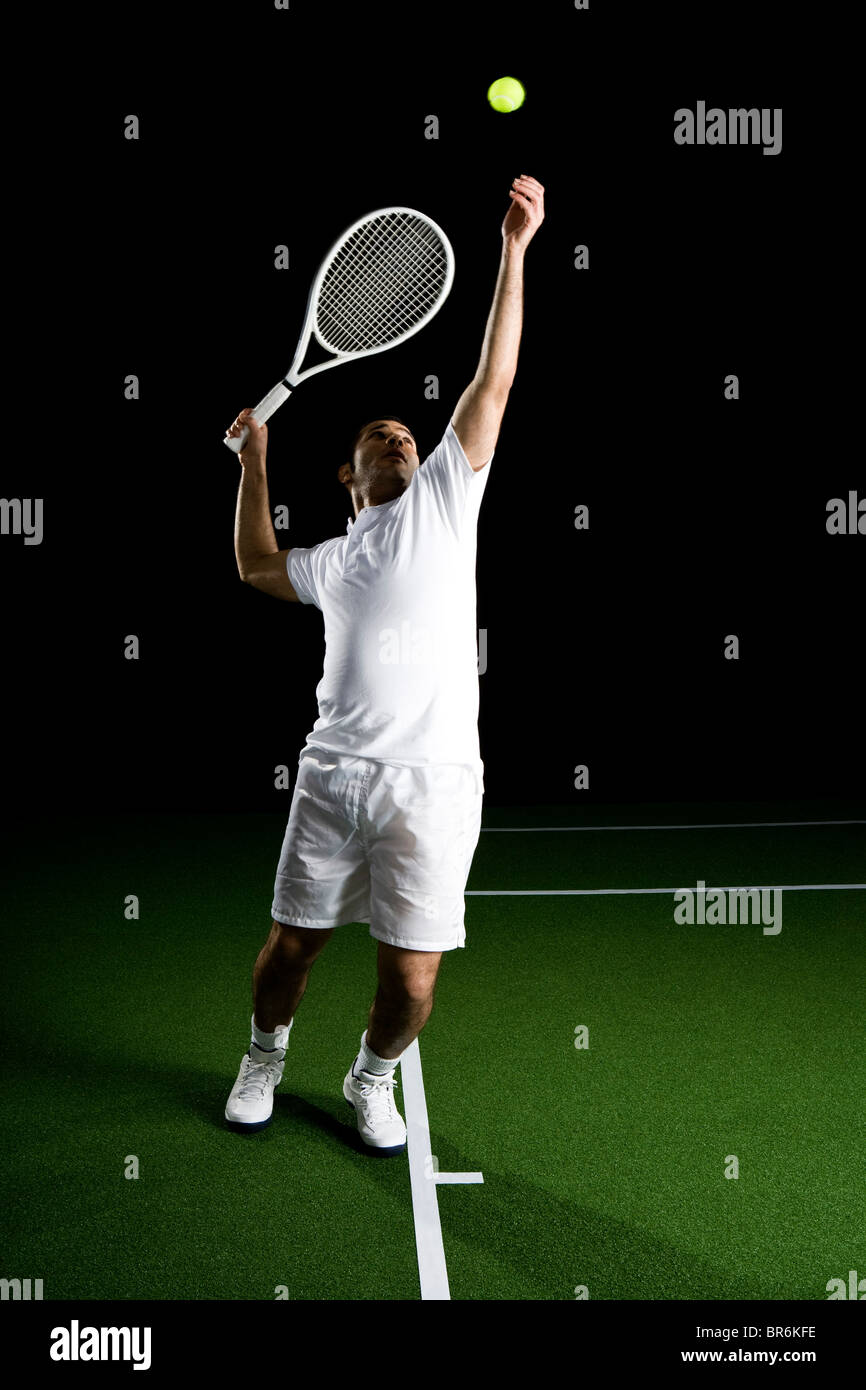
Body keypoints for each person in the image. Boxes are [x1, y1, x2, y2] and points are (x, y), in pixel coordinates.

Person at [225, 175, 545, 1154]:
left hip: (434, 783)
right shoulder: (329, 560)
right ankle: (263, 1055)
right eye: (378, 436)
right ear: (348, 475)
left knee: (411, 981)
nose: (400, 437)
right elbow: (253, 565)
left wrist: (515, 251)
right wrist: (251, 458)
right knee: (290, 948)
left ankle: (368, 1078)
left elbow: (490, 382)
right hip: (332, 775)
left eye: (407, 433)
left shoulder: (444, 503)